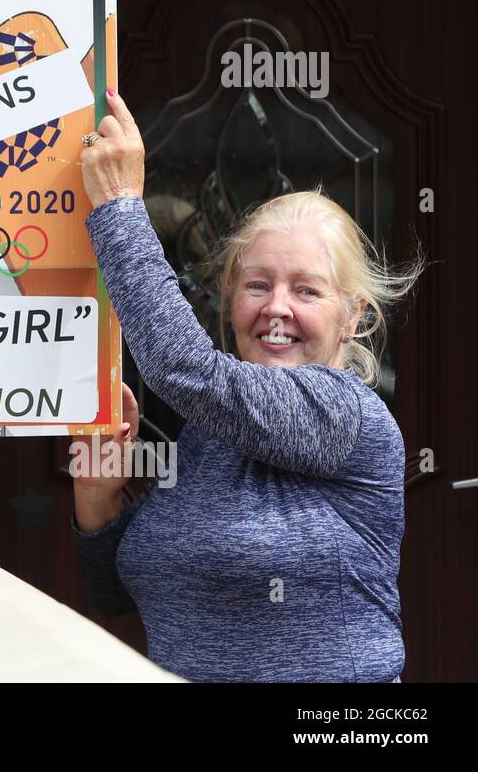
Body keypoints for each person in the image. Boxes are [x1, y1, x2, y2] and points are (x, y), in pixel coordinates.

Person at [72, 87, 424, 683]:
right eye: (257, 285)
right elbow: (117, 594)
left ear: (353, 317)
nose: (276, 308)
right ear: (230, 300)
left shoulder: (347, 418)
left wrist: (119, 208)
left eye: (307, 290)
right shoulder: (209, 437)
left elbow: (182, 369)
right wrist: (98, 500)